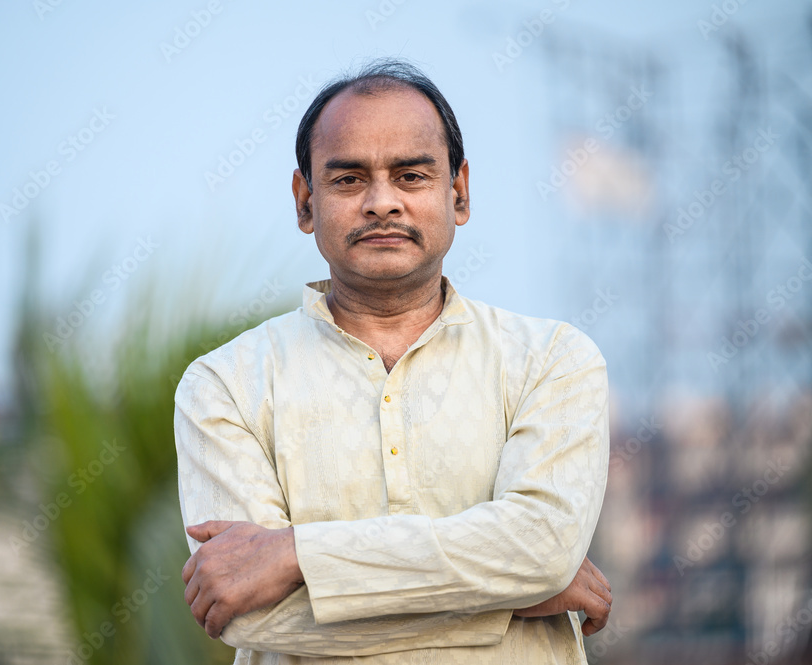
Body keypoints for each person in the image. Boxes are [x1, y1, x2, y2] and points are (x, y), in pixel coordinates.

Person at [174, 58, 612, 663]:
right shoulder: (225, 385)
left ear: (457, 192)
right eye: (349, 180)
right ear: (305, 202)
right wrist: (511, 598)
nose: (382, 203)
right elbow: (251, 614)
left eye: (410, 176)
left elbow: (541, 549)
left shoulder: (552, 362)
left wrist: (296, 555)